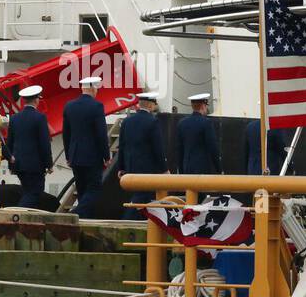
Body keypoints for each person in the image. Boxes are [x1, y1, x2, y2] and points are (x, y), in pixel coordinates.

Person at [62, 76, 110, 218]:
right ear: (94, 89)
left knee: (82, 188)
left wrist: (68, 156)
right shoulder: (97, 106)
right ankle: (76, 213)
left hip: (75, 155)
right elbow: (101, 134)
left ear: (82, 88)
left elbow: (66, 133)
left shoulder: (69, 106)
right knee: (94, 189)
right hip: (92, 156)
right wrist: (106, 157)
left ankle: (84, 218)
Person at [116, 91, 167, 219]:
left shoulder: (127, 121)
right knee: (144, 197)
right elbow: (158, 148)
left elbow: (121, 146)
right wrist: (164, 169)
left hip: (131, 167)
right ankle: (127, 220)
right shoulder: (152, 122)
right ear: (150, 105)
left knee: (142, 197)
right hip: (147, 169)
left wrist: (121, 167)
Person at [8, 85, 52, 209]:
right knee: (35, 192)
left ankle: (23, 220)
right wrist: (49, 164)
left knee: (27, 191)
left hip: (19, 164)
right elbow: (44, 144)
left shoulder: (14, 118)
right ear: (37, 100)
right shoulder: (40, 118)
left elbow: (10, 143)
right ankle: (16, 214)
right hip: (35, 166)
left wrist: (11, 165)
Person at [176, 93, 221, 175]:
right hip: (202, 170)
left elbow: (179, 150)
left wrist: (181, 170)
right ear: (203, 106)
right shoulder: (206, 123)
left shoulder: (182, 123)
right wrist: (219, 169)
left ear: (192, 106)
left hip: (186, 169)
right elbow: (213, 148)